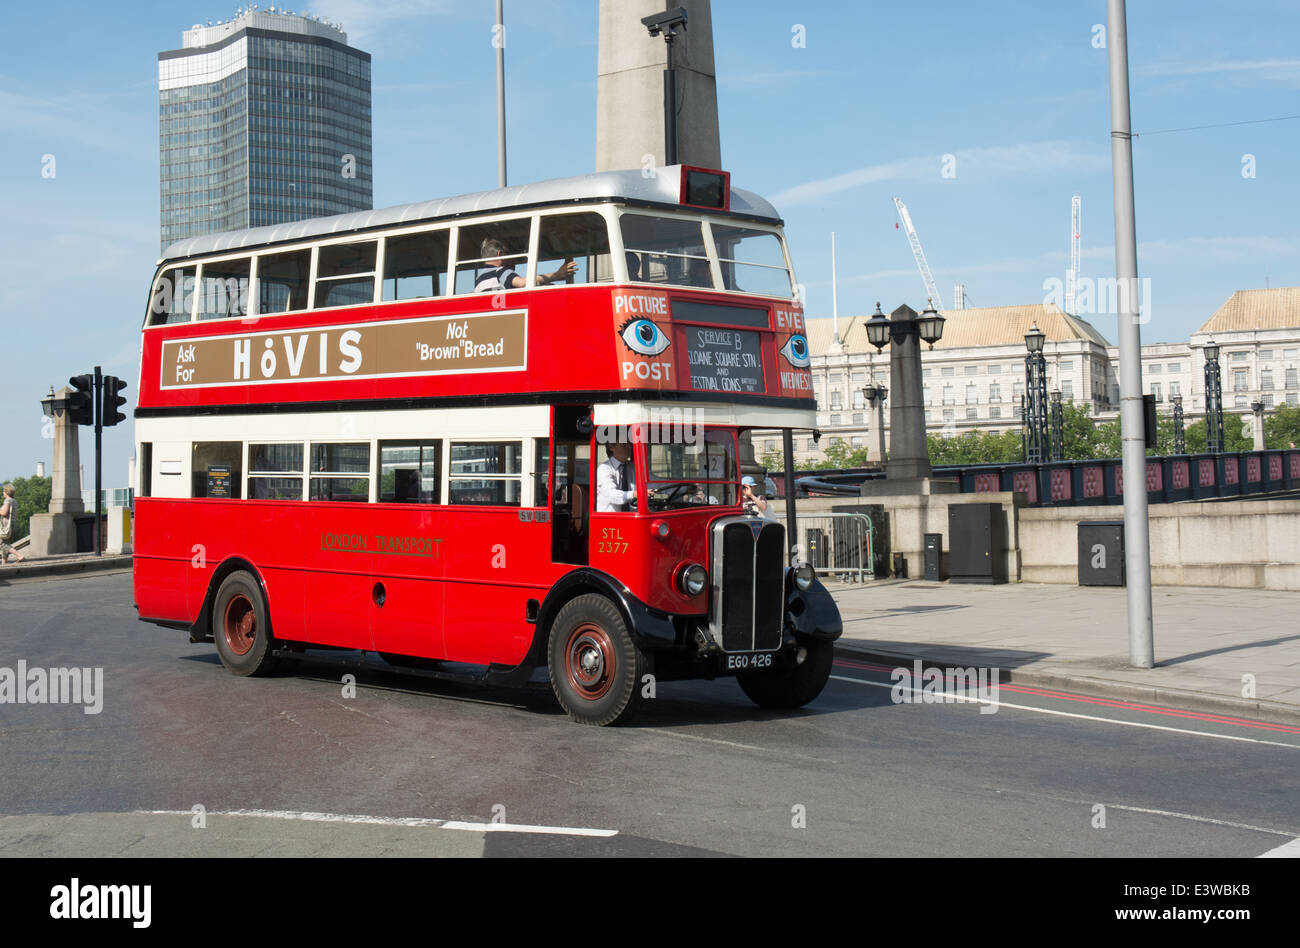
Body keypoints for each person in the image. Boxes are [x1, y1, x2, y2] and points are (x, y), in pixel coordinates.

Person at [475, 238, 576, 292]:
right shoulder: (500, 271)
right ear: (500, 254)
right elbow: (522, 283)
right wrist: (556, 275)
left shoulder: (479, 278)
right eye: (507, 253)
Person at [596, 443, 636, 512]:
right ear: (611, 446)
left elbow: (651, 481)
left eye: (630, 444)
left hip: (631, 516)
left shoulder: (633, 467)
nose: (629, 446)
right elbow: (611, 495)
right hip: (609, 517)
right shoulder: (605, 468)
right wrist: (634, 494)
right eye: (624, 444)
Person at [0, 484, 23, 563]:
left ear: (7, 492)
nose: (3, 493)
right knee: (6, 544)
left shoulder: (8, 500)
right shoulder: (14, 501)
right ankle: (3, 564)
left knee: (2, 544)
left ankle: (19, 556)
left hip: (7, 526)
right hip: (12, 525)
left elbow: (4, 513)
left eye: (3, 491)